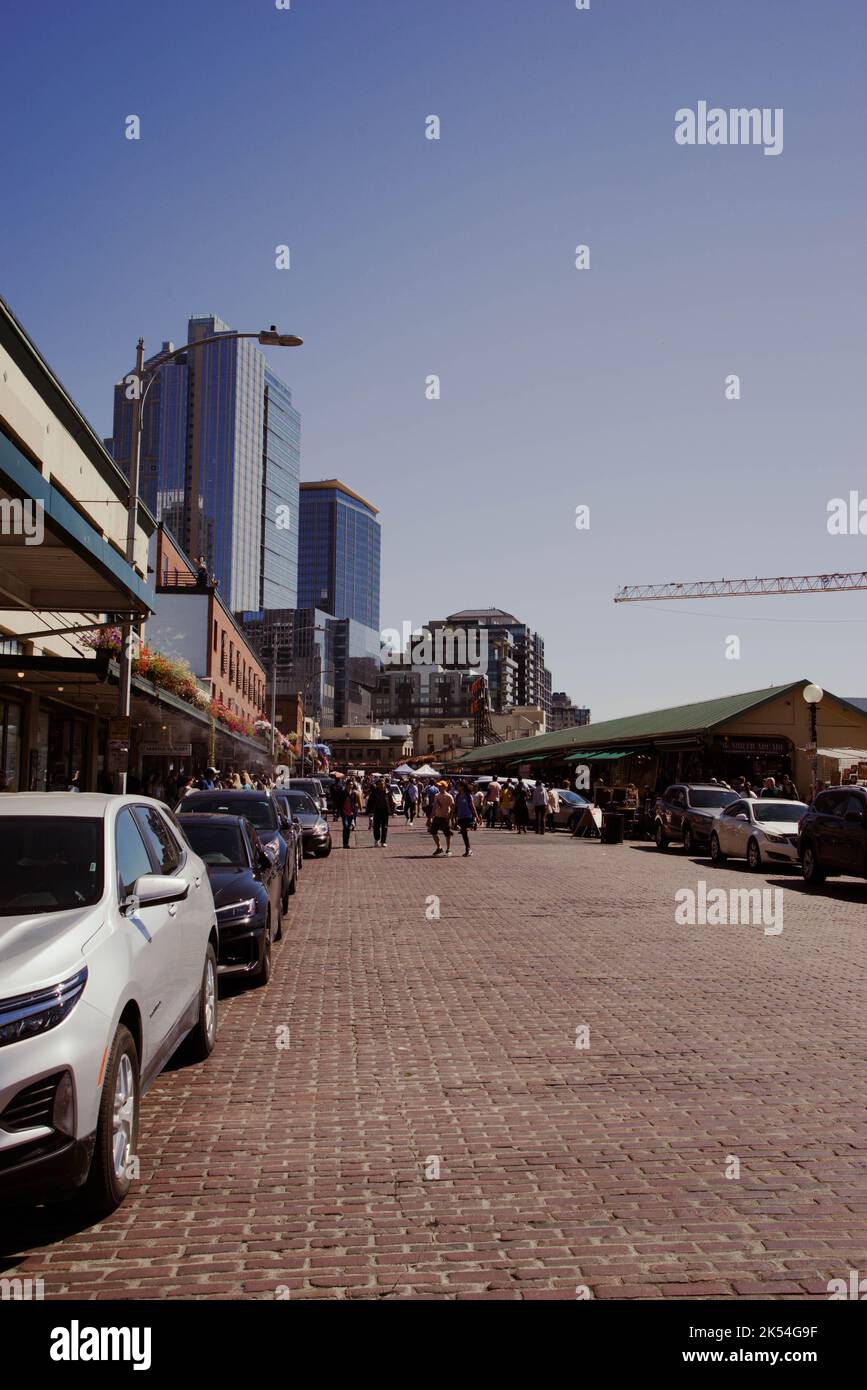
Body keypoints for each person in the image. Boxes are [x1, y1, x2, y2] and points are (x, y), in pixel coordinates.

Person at [367, 776, 395, 847]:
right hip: (377, 810)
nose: (382, 785)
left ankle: (383, 841)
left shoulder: (387, 792)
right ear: (378, 784)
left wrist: (392, 811)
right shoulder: (374, 792)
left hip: (385, 811)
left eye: (383, 783)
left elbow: (391, 802)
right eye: (380, 783)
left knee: (384, 827)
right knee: (376, 826)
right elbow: (370, 802)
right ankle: (376, 839)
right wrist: (369, 810)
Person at [430, 782, 455, 856]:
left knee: (447, 834)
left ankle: (448, 849)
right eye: (439, 786)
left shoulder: (449, 796)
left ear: (445, 787)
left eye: (441, 786)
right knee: (433, 832)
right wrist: (430, 818)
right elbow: (434, 807)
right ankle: (439, 847)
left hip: (445, 817)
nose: (439, 788)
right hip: (437, 816)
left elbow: (453, 807)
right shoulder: (436, 795)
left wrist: (450, 817)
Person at [454, 780, 478, 857]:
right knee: (464, 833)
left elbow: (472, 806)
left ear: (463, 787)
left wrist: (477, 817)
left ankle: (468, 849)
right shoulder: (457, 796)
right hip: (460, 816)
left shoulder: (468, 795)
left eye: (459, 786)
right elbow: (455, 806)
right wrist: (452, 816)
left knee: (464, 831)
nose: (458, 787)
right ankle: (468, 849)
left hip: (467, 816)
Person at [340, 778, 362, 848]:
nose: (351, 786)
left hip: (351, 813)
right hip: (344, 813)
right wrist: (339, 811)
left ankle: (347, 843)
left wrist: (355, 810)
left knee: (348, 828)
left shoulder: (353, 793)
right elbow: (339, 803)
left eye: (352, 784)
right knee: (345, 826)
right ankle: (344, 843)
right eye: (349, 784)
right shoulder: (343, 793)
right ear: (346, 785)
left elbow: (354, 803)